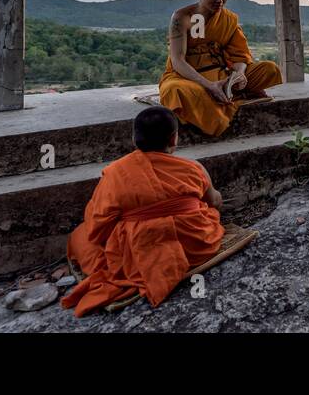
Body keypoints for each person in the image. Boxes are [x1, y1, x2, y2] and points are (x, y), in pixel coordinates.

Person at [62, 106, 224, 315]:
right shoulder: (194, 168)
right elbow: (214, 202)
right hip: (194, 244)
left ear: (134, 139)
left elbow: (98, 224)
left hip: (139, 253)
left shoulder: (116, 174)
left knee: (81, 237)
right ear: (174, 139)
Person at [157, 0, 283, 136]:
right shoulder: (183, 17)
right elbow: (178, 60)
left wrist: (238, 73)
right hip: (189, 77)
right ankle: (220, 102)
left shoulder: (229, 19)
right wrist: (209, 85)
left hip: (223, 75)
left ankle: (227, 91)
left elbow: (239, 54)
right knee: (174, 90)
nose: (220, 1)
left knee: (270, 69)